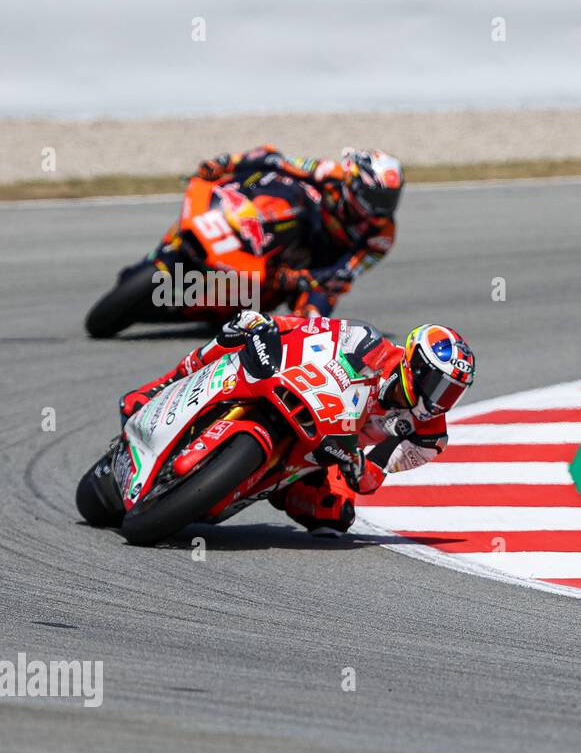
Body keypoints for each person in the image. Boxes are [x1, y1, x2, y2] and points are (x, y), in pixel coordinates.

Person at [119, 310, 474, 535]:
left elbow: (371, 478)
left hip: (332, 451)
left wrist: (355, 465)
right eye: (438, 385)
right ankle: (161, 386)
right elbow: (310, 329)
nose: (440, 399)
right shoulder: (368, 344)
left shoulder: (429, 438)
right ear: (414, 366)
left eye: (452, 392)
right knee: (240, 330)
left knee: (336, 516)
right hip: (307, 395)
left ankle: (267, 486)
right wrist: (270, 324)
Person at [193, 145, 404, 316]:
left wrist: (298, 277)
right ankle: (232, 239)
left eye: (390, 198)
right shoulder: (329, 172)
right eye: (378, 198)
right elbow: (273, 158)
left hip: (314, 269)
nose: (383, 207)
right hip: (293, 232)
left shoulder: (381, 235)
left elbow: (343, 274)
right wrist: (227, 163)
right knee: (284, 191)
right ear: (355, 185)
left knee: (316, 313)